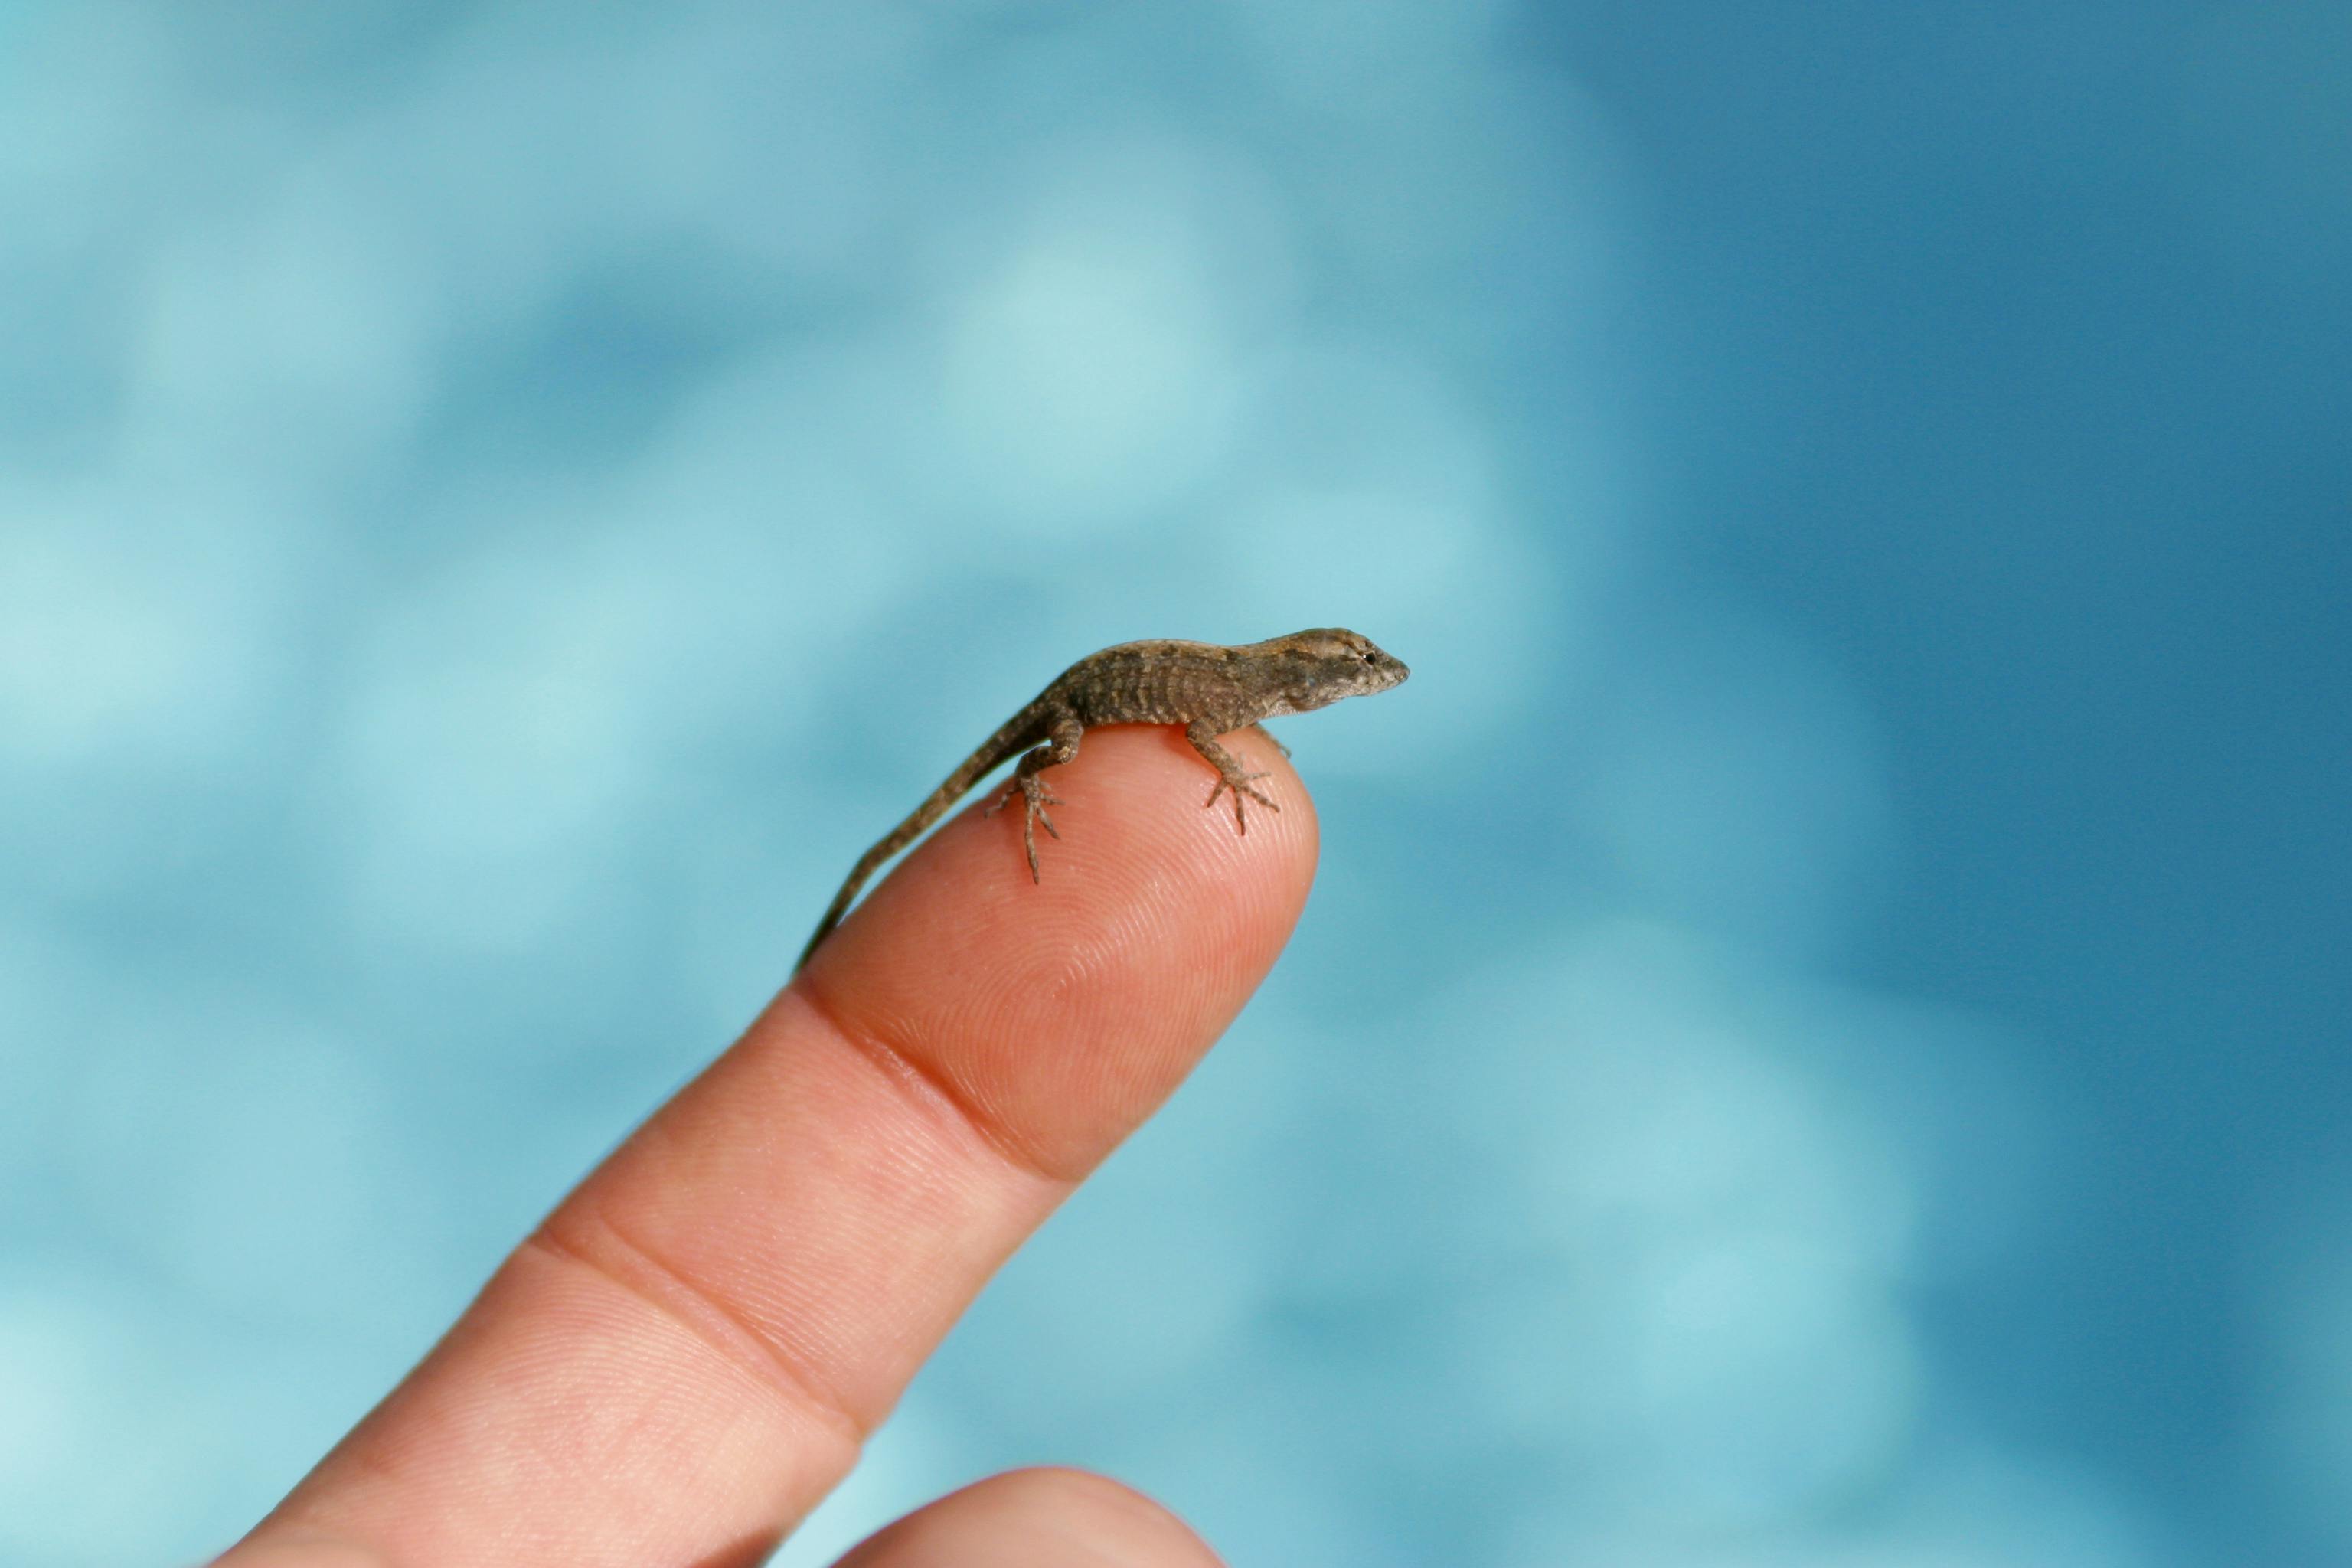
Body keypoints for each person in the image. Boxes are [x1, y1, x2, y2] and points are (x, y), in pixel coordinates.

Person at [217, 726, 1312, 1567]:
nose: (1366, 673)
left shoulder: (1225, 696)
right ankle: (993, 814)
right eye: (1353, 664)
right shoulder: (1213, 703)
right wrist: (1042, 783)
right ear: (1310, 670)